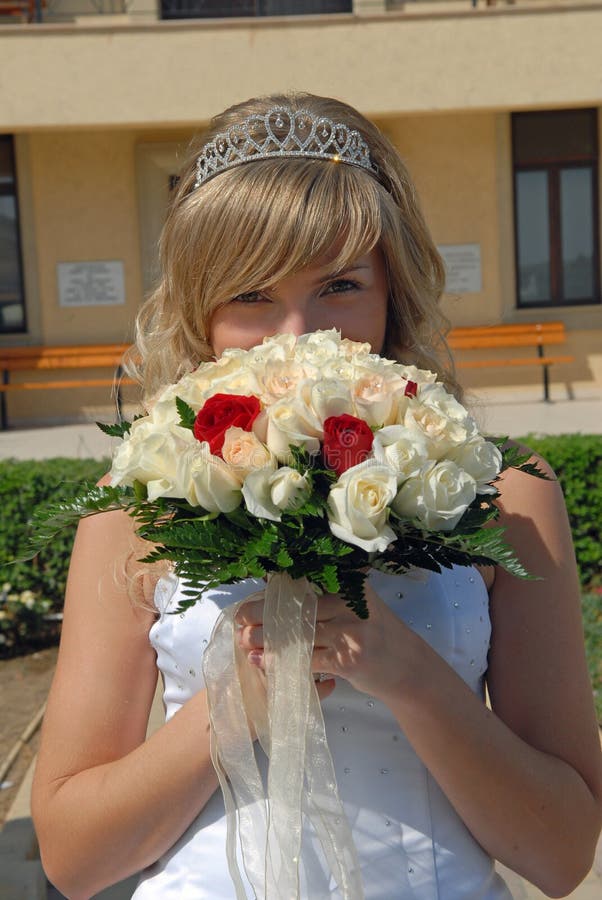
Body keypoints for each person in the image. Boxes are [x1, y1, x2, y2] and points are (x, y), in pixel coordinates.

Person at [32, 93, 601, 900]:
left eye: (339, 285)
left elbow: (563, 854)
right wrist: (237, 702)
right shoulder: (136, 504)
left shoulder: (507, 492)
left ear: (392, 292)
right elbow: (73, 858)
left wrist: (411, 675)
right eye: (251, 295)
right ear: (200, 309)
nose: (295, 334)